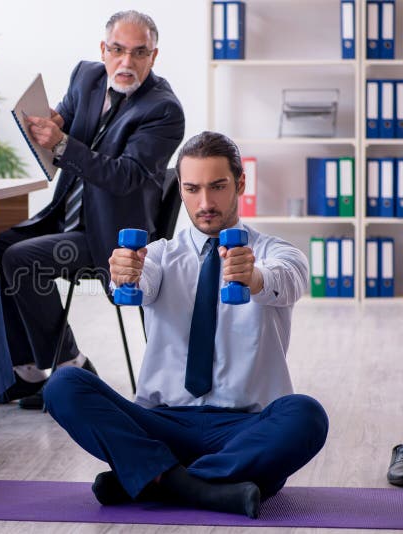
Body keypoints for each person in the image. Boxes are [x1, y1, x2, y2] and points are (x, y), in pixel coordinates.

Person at [44, 131, 329, 518]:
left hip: (244, 431)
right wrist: (125, 273)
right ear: (181, 188)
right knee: (63, 384)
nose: (206, 203)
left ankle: (151, 477)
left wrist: (254, 277)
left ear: (240, 183)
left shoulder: (275, 252)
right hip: (163, 424)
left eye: (218, 187)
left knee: (306, 416)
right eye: (193, 189)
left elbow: (288, 280)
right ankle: (204, 487)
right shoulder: (161, 254)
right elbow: (141, 281)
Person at [0, 10, 185, 407]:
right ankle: (27, 369)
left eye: (139, 53)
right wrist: (56, 120)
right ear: (103, 49)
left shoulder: (164, 111)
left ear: (154, 56)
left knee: (22, 259)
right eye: (117, 50)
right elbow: (67, 112)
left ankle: (72, 367)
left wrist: (62, 144)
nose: (126, 63)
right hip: (66, 215)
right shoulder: (87, 76)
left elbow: (126, 176)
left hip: (113, 235)